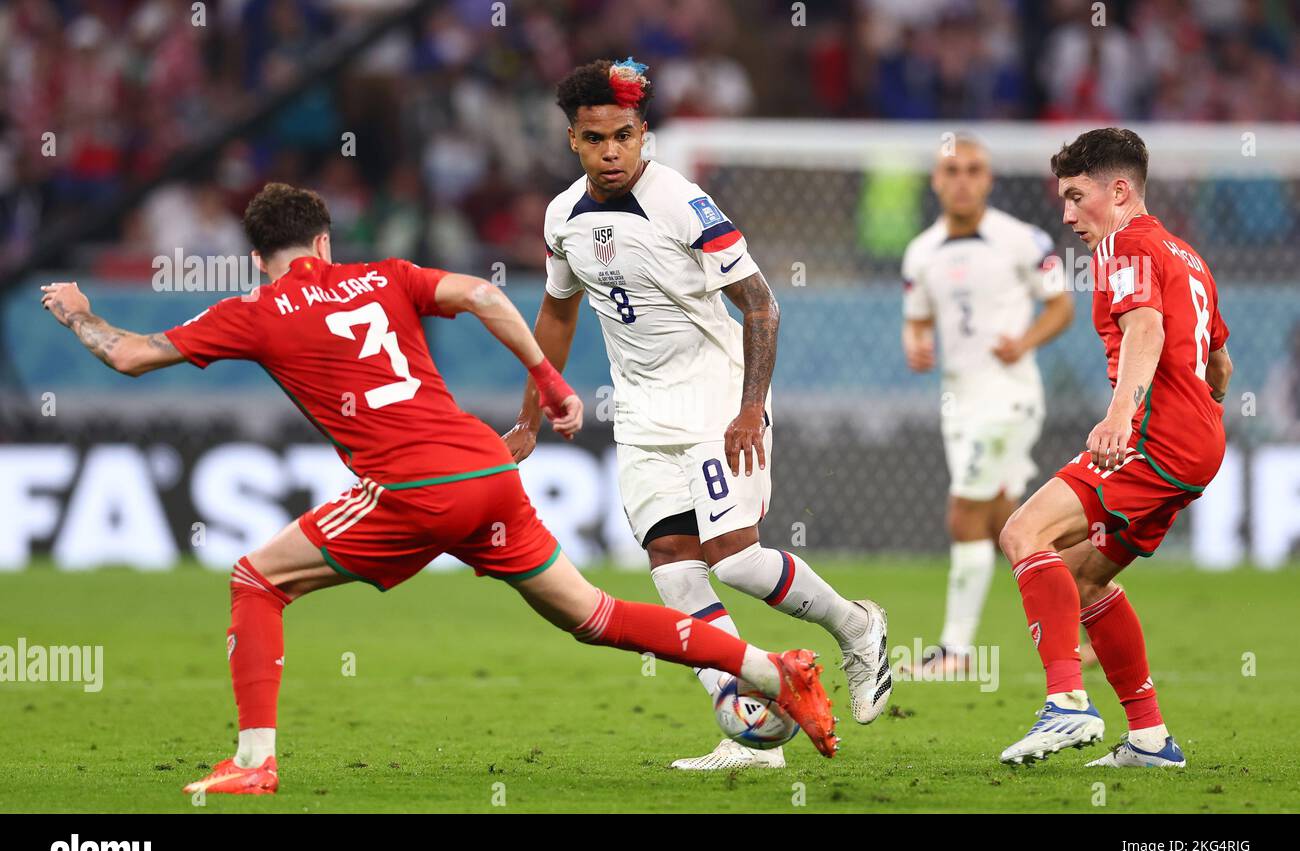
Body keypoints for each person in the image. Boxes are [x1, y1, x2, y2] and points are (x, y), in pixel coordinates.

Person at [39, 182, 840, 794]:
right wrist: (548, 382)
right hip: (487, 465)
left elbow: (132, 355)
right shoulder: (382, 276)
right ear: (324, 241)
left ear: (259, 257)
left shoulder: (256, 308)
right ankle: (775, 672)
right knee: (594, 615)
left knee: (257, 579)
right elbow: (487, 294)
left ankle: (255, 761)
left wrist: (78, 314)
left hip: (414, 483)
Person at [504, 58, 892, 771]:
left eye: (625, 135)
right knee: (672, 569)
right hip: (642, 411)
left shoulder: (680, 201)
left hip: (717, 399)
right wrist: (533, 413)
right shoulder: (564, 216)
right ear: (573, 143)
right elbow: (557, 313)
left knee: (737, 561)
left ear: (644, 133)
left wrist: (749, 409)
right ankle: (745, 724)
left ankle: (858, 627)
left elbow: (762, 303)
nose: (612, 151)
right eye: (596, 139)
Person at [998, 128, 1232, 768]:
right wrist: (1196, 411)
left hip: (1154, 437)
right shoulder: (1186, 256)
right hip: (1197, 444)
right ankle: (1151, 740)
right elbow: (1221, 367)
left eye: (1077, 197)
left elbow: (1147, 327)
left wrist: (1120, 416)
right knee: (1080, 576)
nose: (1068, 214)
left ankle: (1067, 705)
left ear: (1120, 190)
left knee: (1023, 534)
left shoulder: (1122, 245)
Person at [901, 134, 1073, 675]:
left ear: (989, 179)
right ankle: (1089, 614)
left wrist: (1024, 342)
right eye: (952, 170)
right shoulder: (920, 252)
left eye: (974, 170)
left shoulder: (1023, 240)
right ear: (936, 180)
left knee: (964, 513)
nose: (962, 180)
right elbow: (917, 318)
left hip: (1009, 400)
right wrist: (916, 344)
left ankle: (955, 650)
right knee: (1014, 525)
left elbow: (1062, 305)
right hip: (959, 401)